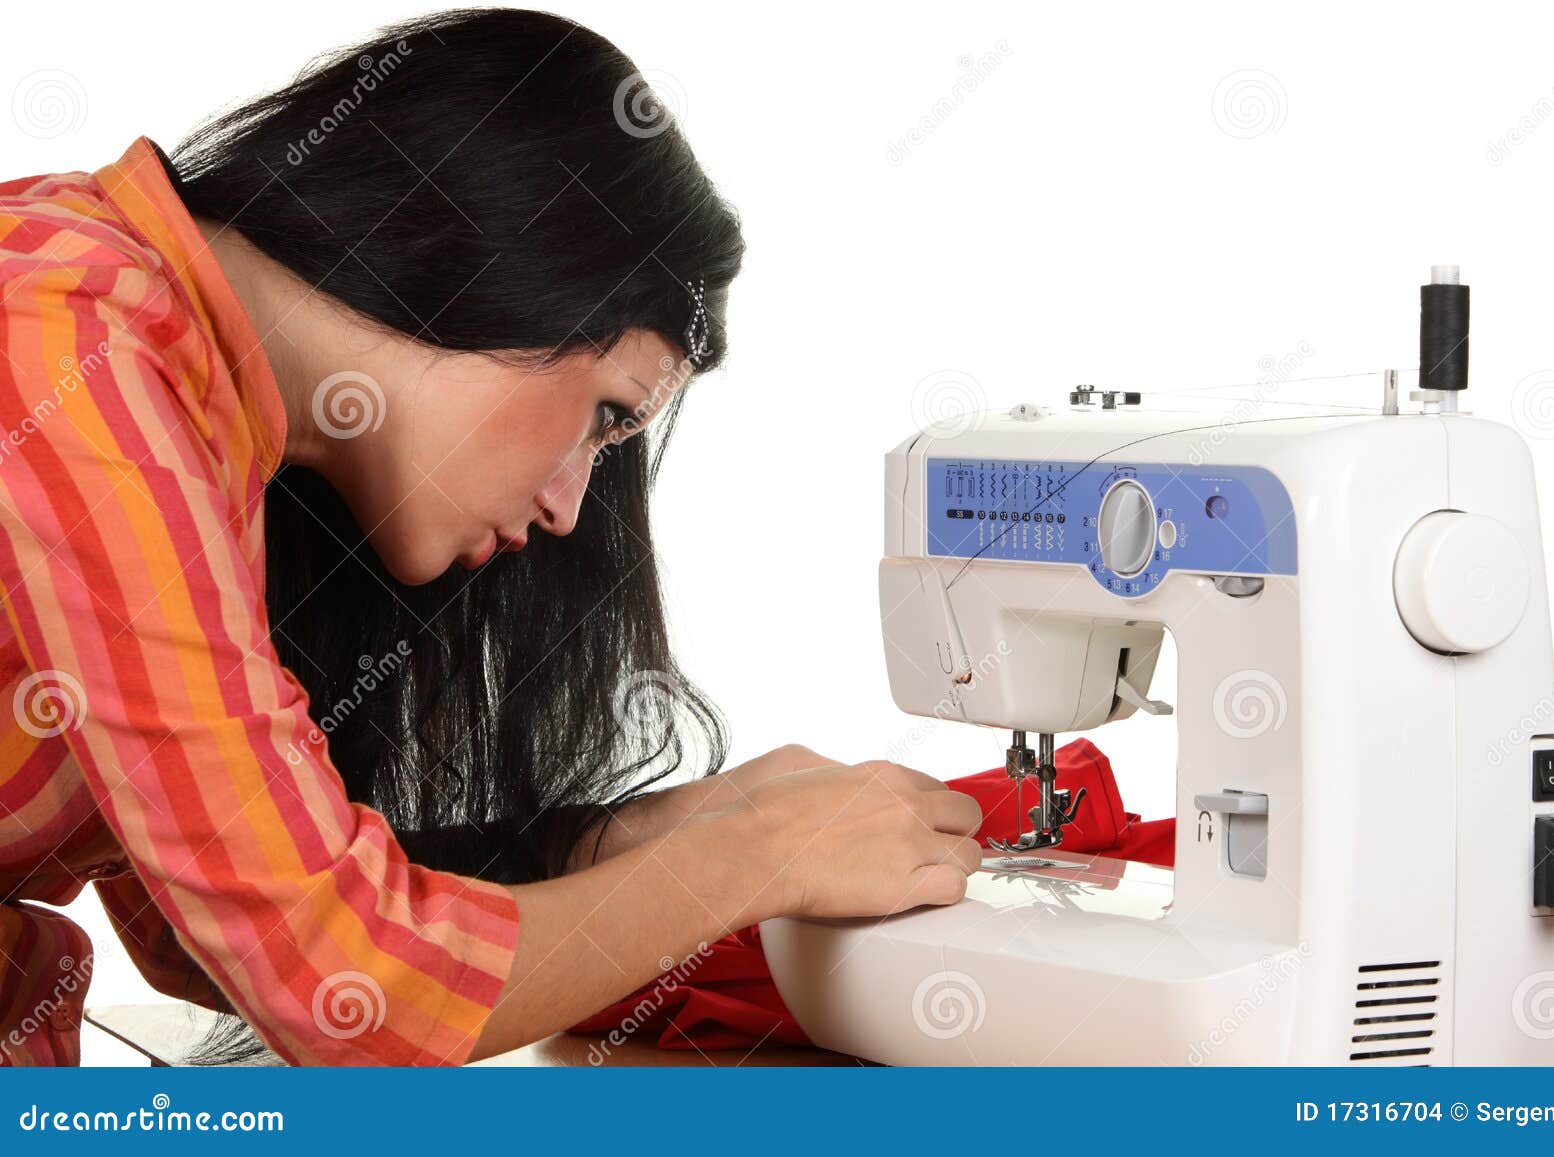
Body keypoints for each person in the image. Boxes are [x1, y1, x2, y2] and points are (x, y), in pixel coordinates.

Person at [0, 8, 981, 1066]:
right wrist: (759, 855)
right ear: (498, 254)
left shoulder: (197, 419)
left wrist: (649, 832)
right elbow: (342, 988)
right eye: (607, 416)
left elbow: (209, 923)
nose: (567, 507)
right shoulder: (64, 335)